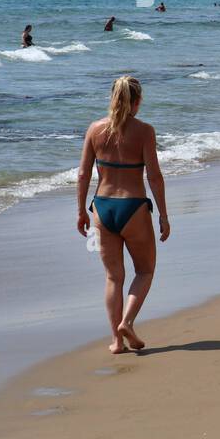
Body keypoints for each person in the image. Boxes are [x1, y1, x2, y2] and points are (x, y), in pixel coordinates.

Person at [76, 76, 170, 354]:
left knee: (113, 277)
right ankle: (127, 322)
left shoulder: (95, 129)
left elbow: (82, 174)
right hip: (134, 208)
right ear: (137, 101)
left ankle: (117, 342)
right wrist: (164, 214)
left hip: (102, 208)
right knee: (145, 270)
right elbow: (154, 176)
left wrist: (81, 210)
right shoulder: (144, 131)